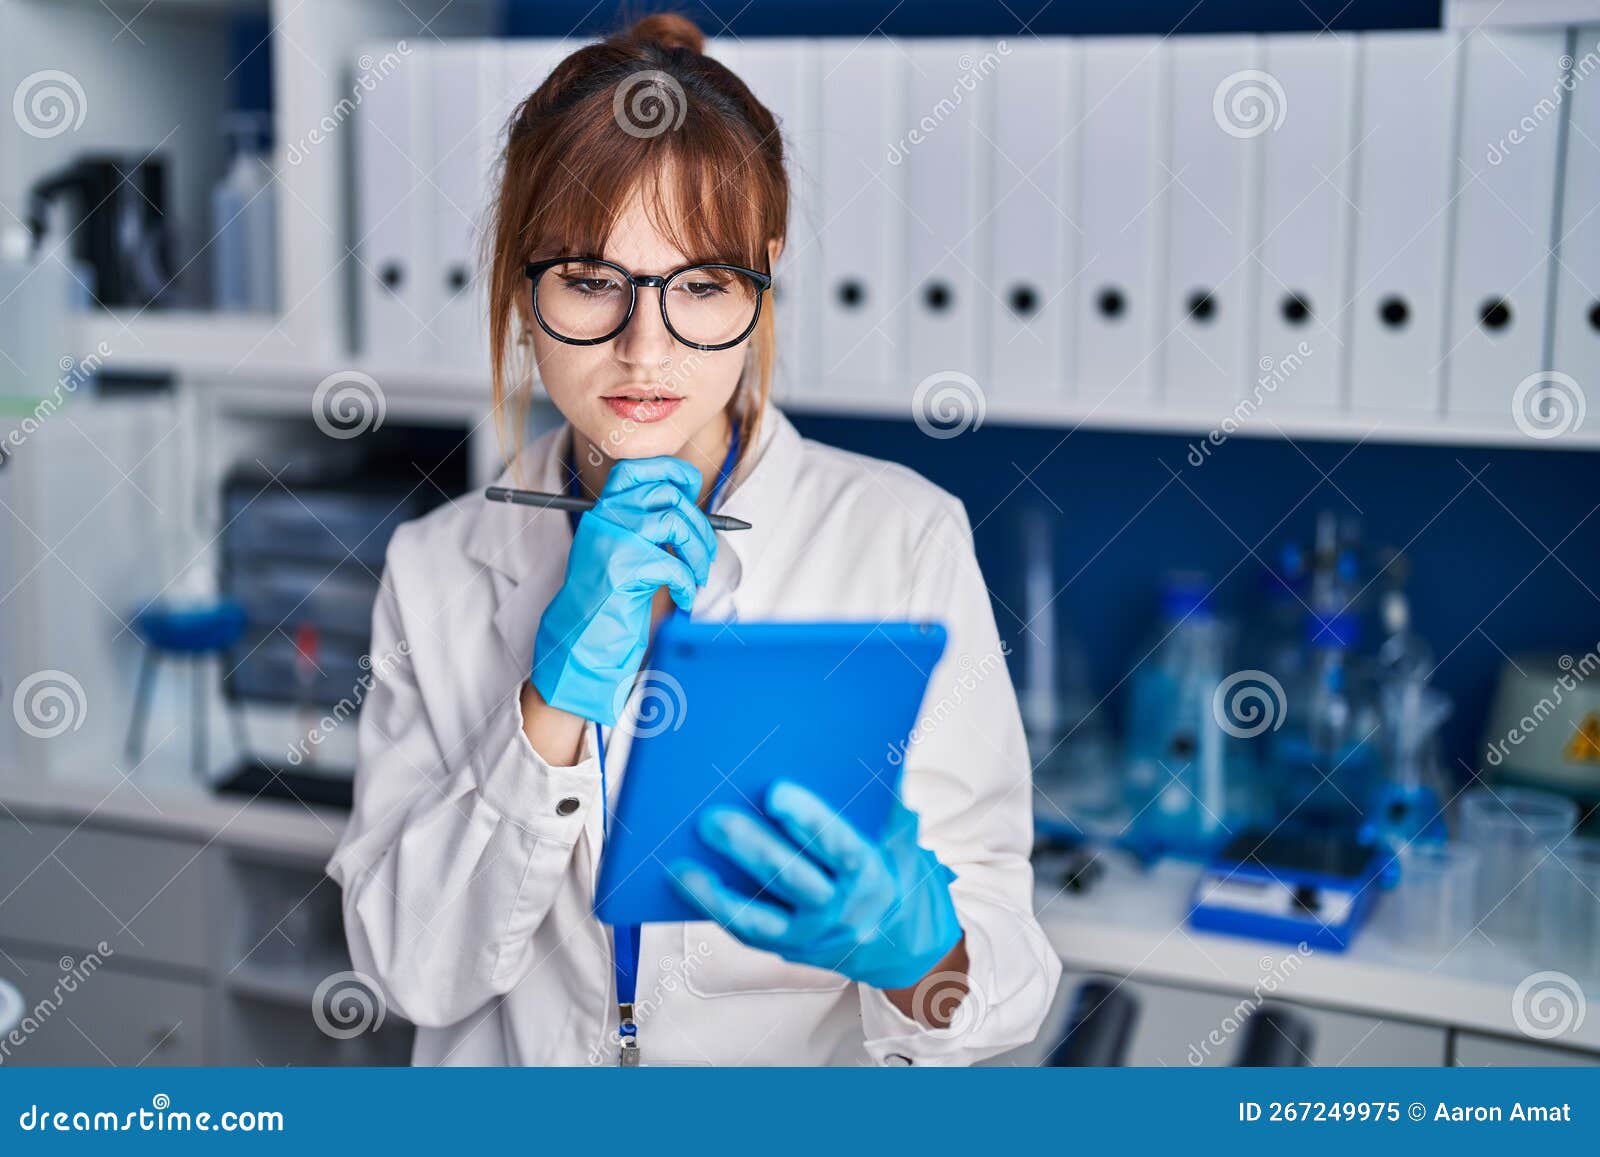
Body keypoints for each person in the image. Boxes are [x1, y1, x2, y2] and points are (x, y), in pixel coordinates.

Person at [327, 13, 1060, 1066]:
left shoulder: (899, 540)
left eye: (700, 287)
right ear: (521, 290)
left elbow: (1009, 976)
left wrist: (918, 951)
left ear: (759, 286)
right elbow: (404, 967)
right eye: (589, 281)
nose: (644, 346)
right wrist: (549, 704)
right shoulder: (440, 565)